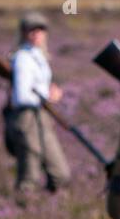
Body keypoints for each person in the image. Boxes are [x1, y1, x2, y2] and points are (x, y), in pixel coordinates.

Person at [4, 11, 70, 200]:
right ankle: (24, 212)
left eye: (40, 29)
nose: (36, 33)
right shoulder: (23, 58)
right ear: (23, 33)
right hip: (26, 117)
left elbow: (36, 88)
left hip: (41, 115)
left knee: (60, 172)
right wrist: (47, 95)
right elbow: (22, 95)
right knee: (30, 174)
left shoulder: (38, 57)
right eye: (31, 29)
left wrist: (49, 92)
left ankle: (50, 209)